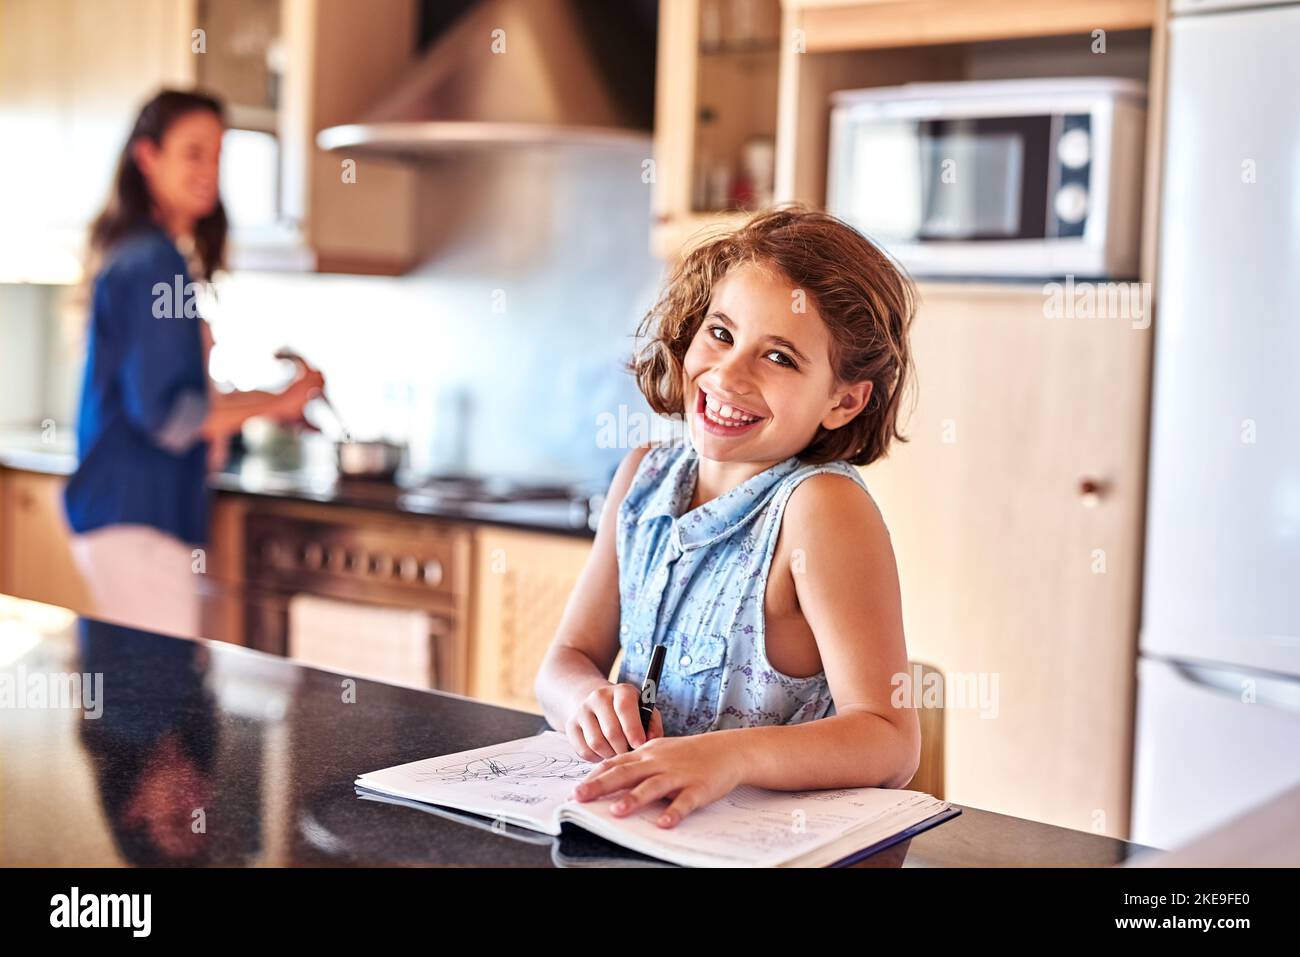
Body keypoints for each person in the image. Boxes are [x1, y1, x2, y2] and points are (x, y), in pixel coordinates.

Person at [534, 204, 921, 828]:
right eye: (721, 333)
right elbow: (565, 660)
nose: (729, 373)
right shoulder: (642, 478)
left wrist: (729, 757)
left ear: (844, 401)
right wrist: (587, 701)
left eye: (780, 358)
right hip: (647, 833)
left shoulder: (818, 508)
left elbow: (890, 741)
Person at [64, 89, 323, 637]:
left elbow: (181, 401)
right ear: (147, 157)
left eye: (218, 154)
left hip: (123, 517)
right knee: (149, 709)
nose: (210, 170)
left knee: (134, 705)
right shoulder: (156, 262)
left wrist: (272, 405)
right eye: (194, 152)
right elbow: (171, 417)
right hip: (138, 519)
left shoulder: (147, 255)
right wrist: (280, 400)